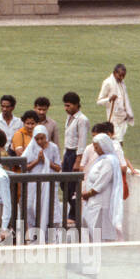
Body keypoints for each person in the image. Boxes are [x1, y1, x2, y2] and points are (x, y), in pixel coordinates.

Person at [23, 124, 62, 240]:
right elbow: (25, 167)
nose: (40, 141)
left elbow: (58, 167)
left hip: (48, 183)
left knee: (50, 207)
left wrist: (46, 161)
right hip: (33, 184)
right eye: (37, 138)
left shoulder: (53, 148)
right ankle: (33, 234)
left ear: (46, 137)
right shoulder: (31, 148)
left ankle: (50, 235)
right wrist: (37, 160)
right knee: (31, 207)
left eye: (42, 138)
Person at [80, 135, 120, 242]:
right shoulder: (102, 160)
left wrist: (87, 194)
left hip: (100, 202)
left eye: (97, 147)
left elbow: (101, 183)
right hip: (93, 201)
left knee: (98, 231)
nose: (95, 150)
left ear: (104, 146)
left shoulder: (108, 162)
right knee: (91, 229)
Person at [61, 91, 90, 225]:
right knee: (64, 183)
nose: (66, 109)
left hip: (75, 154)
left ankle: (74, 214)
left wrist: (78, 160)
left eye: (69, 106)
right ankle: (72, 210)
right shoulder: (70, 118)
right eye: (65, 106)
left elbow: (82, 140)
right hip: (68, 153)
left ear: (76, 105)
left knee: (73, 185)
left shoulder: (82, 120)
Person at [97, 63, 134, 142]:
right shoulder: (108, 83)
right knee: (117, 142)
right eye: (120, 75)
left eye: (123, 76)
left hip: (123, 118)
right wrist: (109, 99)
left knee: (119, 141)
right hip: (114, 119)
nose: (121, 78)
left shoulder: (122, 83)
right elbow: (99, 101)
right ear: (114, 73)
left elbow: (125, 99)